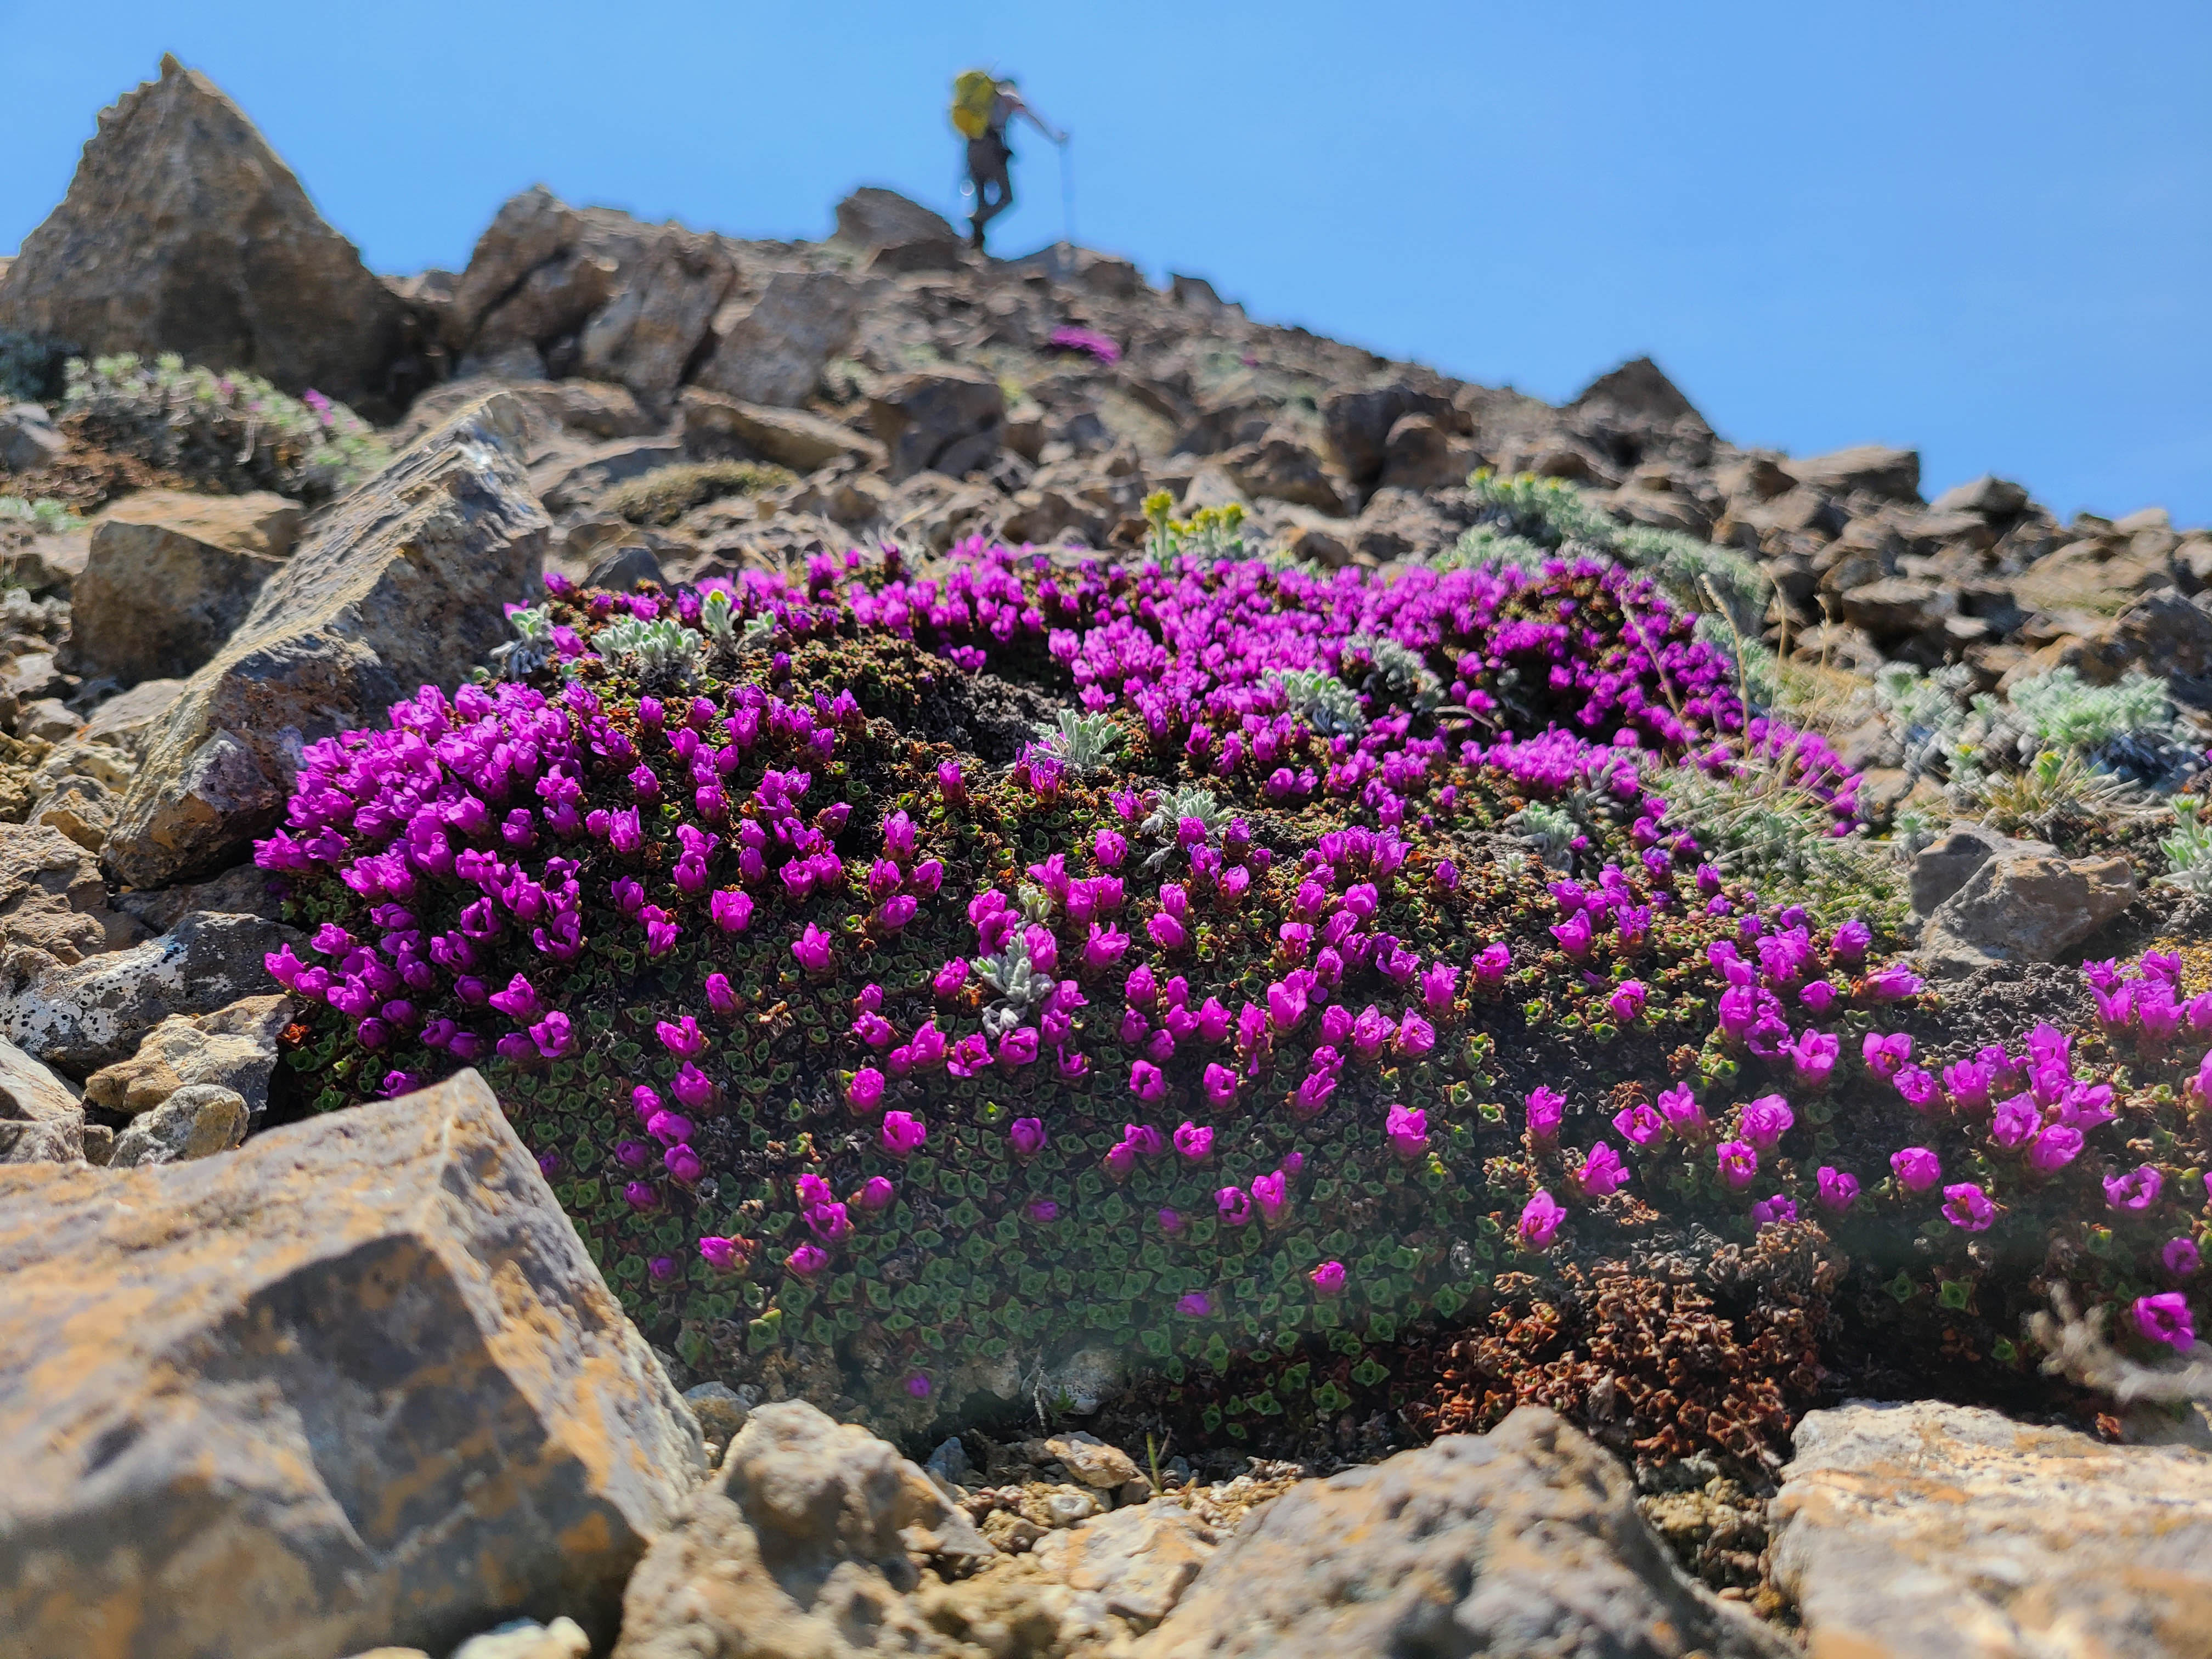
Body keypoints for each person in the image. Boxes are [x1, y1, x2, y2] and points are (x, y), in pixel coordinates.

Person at [951, 70, 1065, 251]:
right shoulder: (1008, 94)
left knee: (981, 200)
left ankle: (976, 246)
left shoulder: (982, 101)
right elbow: (1029, 114)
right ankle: (978, 222)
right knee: (1008, 198)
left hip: (972, 148)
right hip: (991, 146)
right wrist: (1054, 136)